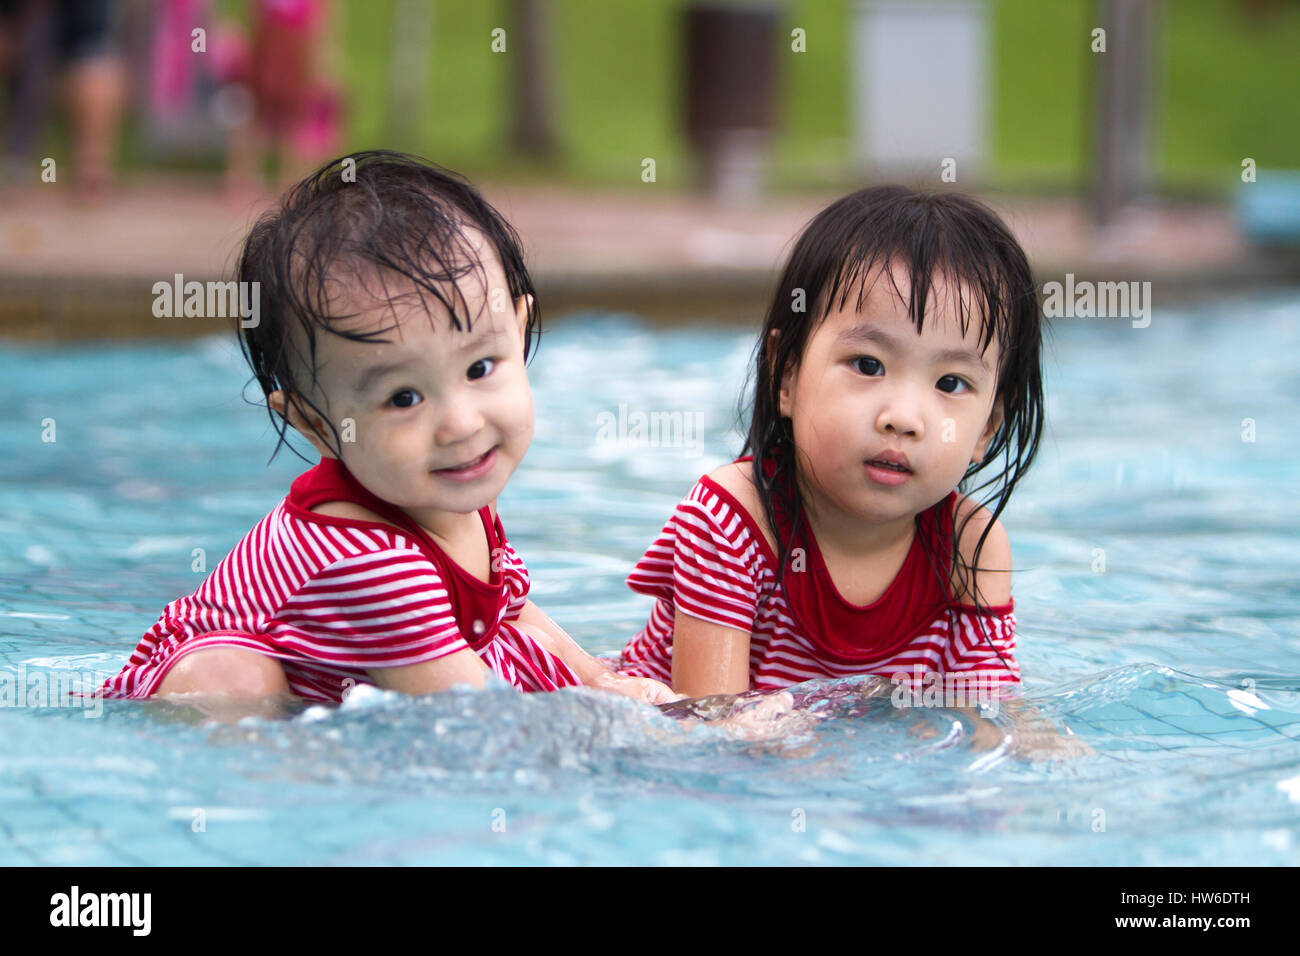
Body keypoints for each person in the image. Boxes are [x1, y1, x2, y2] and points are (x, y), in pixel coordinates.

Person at [98, 150, 679, 710]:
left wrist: (607, 683)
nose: (459, 423)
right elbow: (482, 722)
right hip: (186, 692)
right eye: (403, 398)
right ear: (314, 425)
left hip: (346, 684)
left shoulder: (450, 490)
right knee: (233, 680)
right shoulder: (366, 558)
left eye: (480, 367)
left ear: (519, 331)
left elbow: (511, 614)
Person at [618, 185, 1044, 708]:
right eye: (868, 365)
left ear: (986, 428)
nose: (904, 419)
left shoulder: (970, 547)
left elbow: (986, 716)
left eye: (951, 383)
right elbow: (708, 725)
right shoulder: (733, 520)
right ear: (787, 374)